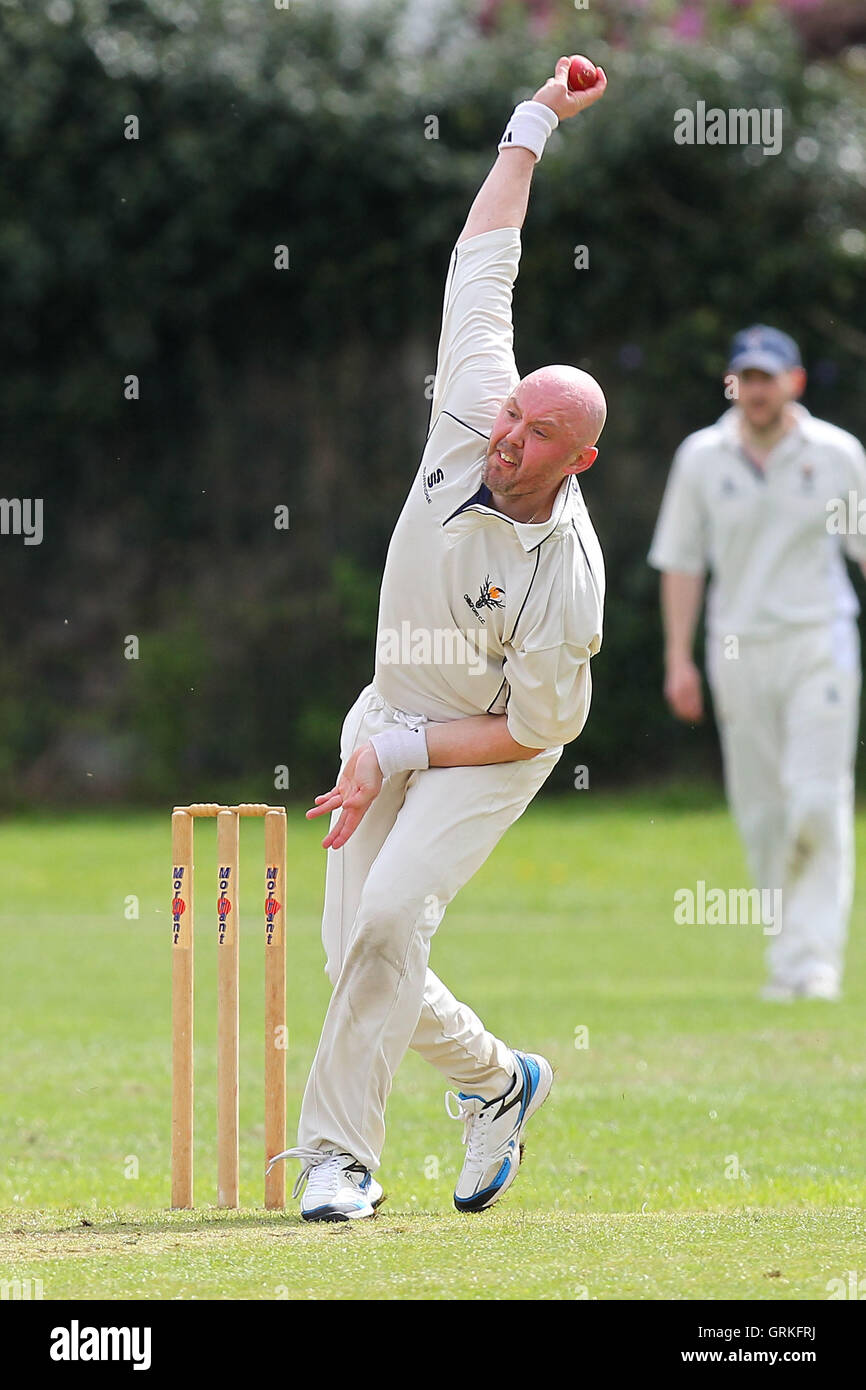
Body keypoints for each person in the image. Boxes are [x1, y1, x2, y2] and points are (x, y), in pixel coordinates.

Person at [267, 58, 608, 1220]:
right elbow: (483, 262)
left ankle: (339, 1160)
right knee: (353, 955)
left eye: (532, 434)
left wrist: (403, 750)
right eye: (511, 416)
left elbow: (528, 727)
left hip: (488, 754)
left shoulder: (570, 581)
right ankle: (497, 1081)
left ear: (577, 461)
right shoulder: (472, 405)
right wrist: (531, 122)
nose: (504, 438)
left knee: (385, 922)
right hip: (392, 707)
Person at [649, 325, 866, 1001]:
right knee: (763, 812)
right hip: (736, 649)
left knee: (815, 798)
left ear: (794, 383)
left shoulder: (834, 454)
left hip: (818, 642)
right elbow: (682, 562)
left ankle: (815, 959)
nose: (757, 389)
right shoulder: (703, 457)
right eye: (746, 376)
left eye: (769, 377)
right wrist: (678, 659)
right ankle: (788, 957)